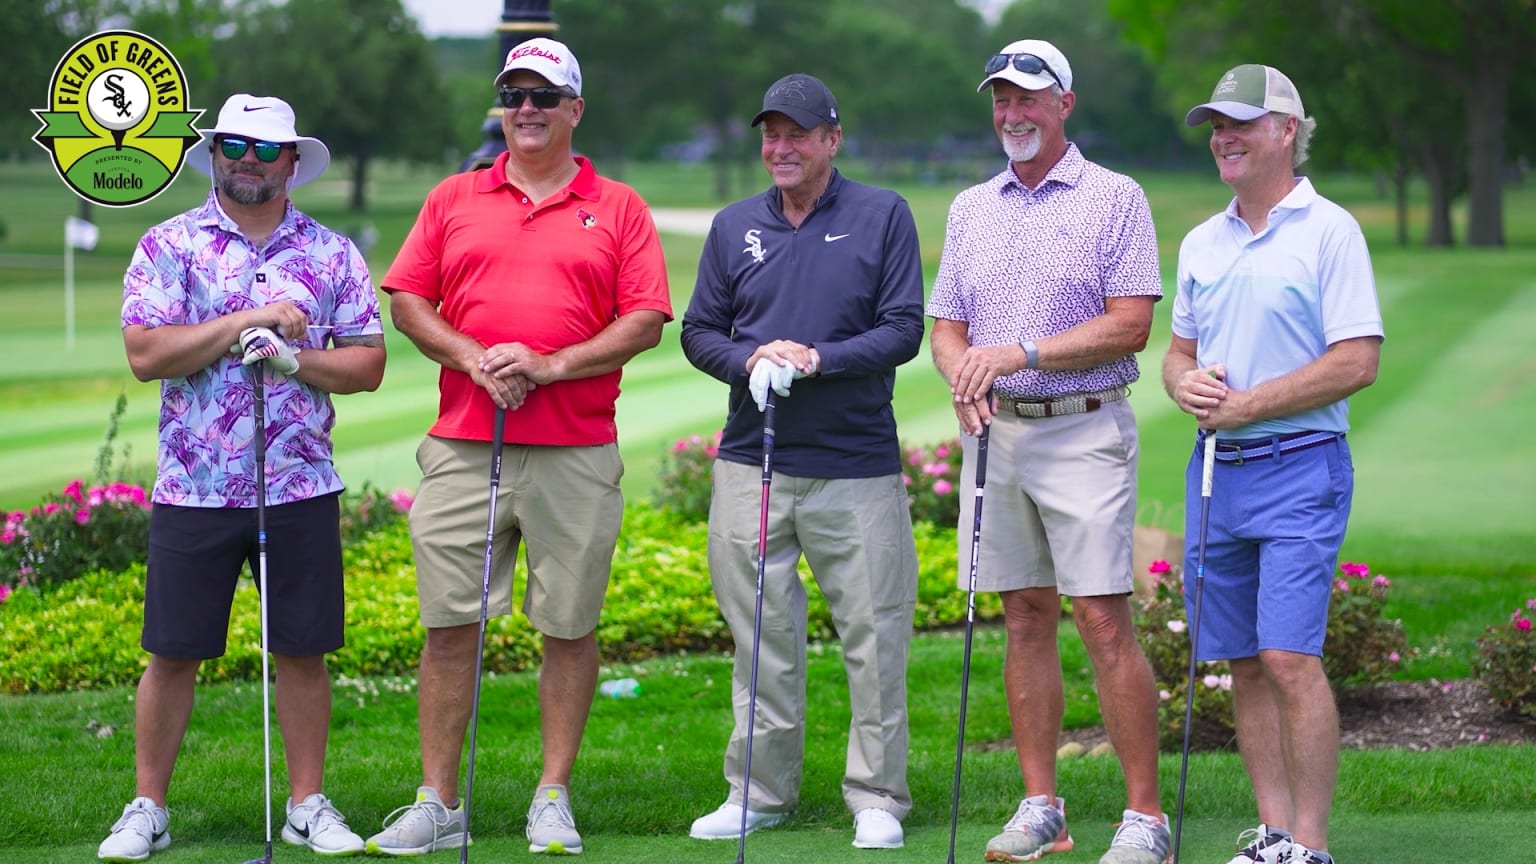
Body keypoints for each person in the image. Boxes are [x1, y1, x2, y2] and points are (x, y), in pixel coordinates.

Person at [364, 37, 671, 857]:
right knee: (449, 626)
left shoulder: (621, 207)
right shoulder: (455, 197)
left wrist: (551, 365)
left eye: (543, 95)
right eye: (514, 94)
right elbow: (407, 300)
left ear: (575, 108)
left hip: (574, 446)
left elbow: (643, 318)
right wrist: (474, 358)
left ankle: (551, 796)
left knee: (568, 627)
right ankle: (438, 801)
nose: (526, 109)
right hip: (466, 442)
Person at [99, 94, 386, 862]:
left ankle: (306, 803)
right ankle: (147, 807)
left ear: (293, 161)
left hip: (297, 483)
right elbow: (147, 354)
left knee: (302, 648)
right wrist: (245, 322)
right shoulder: (168, 244)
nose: (247, 160)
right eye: (234, 145)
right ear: (214, 152)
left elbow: (367, 364)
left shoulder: (332, 254)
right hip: (194, 486)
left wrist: (296, 359)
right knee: (173, 650)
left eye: (265, 149)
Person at [927, 39, 1172, 864]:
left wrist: (1018, 354)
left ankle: (1147, 819)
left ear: (1064, 103)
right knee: (1023, 615)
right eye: (1000, 99)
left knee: (1102, 617)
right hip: (1000, 436)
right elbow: (949, 324)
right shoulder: (972, 206)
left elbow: (1131, 322)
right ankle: (1043, 811)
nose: (1012, 114)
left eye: (1028, 99)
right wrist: (963, 372)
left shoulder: (1114, 197)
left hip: (1083, 426)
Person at [679, 73, 924, 850]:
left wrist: (817, 358)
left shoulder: (882, 215)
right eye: (770, 134)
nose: (780, 148)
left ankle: (878, 794)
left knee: (875, 634)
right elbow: (698, 331)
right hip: (753, 460)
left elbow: (903, 329)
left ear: (831, 139)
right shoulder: (733, 225)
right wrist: (749, 358)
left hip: (856, 465)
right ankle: (759, 791)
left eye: (797, 134)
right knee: (761, 639)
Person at [1164, 65, 1382, 864]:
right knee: (1243, 662)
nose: (1223, 136)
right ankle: (1276, 835)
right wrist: (1183, 382)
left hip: (1300, 464)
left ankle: (1313, 847)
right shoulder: (1200, 240)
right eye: (1216, 125)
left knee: (1290, 657)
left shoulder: (1330, 230)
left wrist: (1249, 405)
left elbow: (1357, 360)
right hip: (1217, 470)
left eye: (1240, 124)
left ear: (1286, 130)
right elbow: (1179, 353)